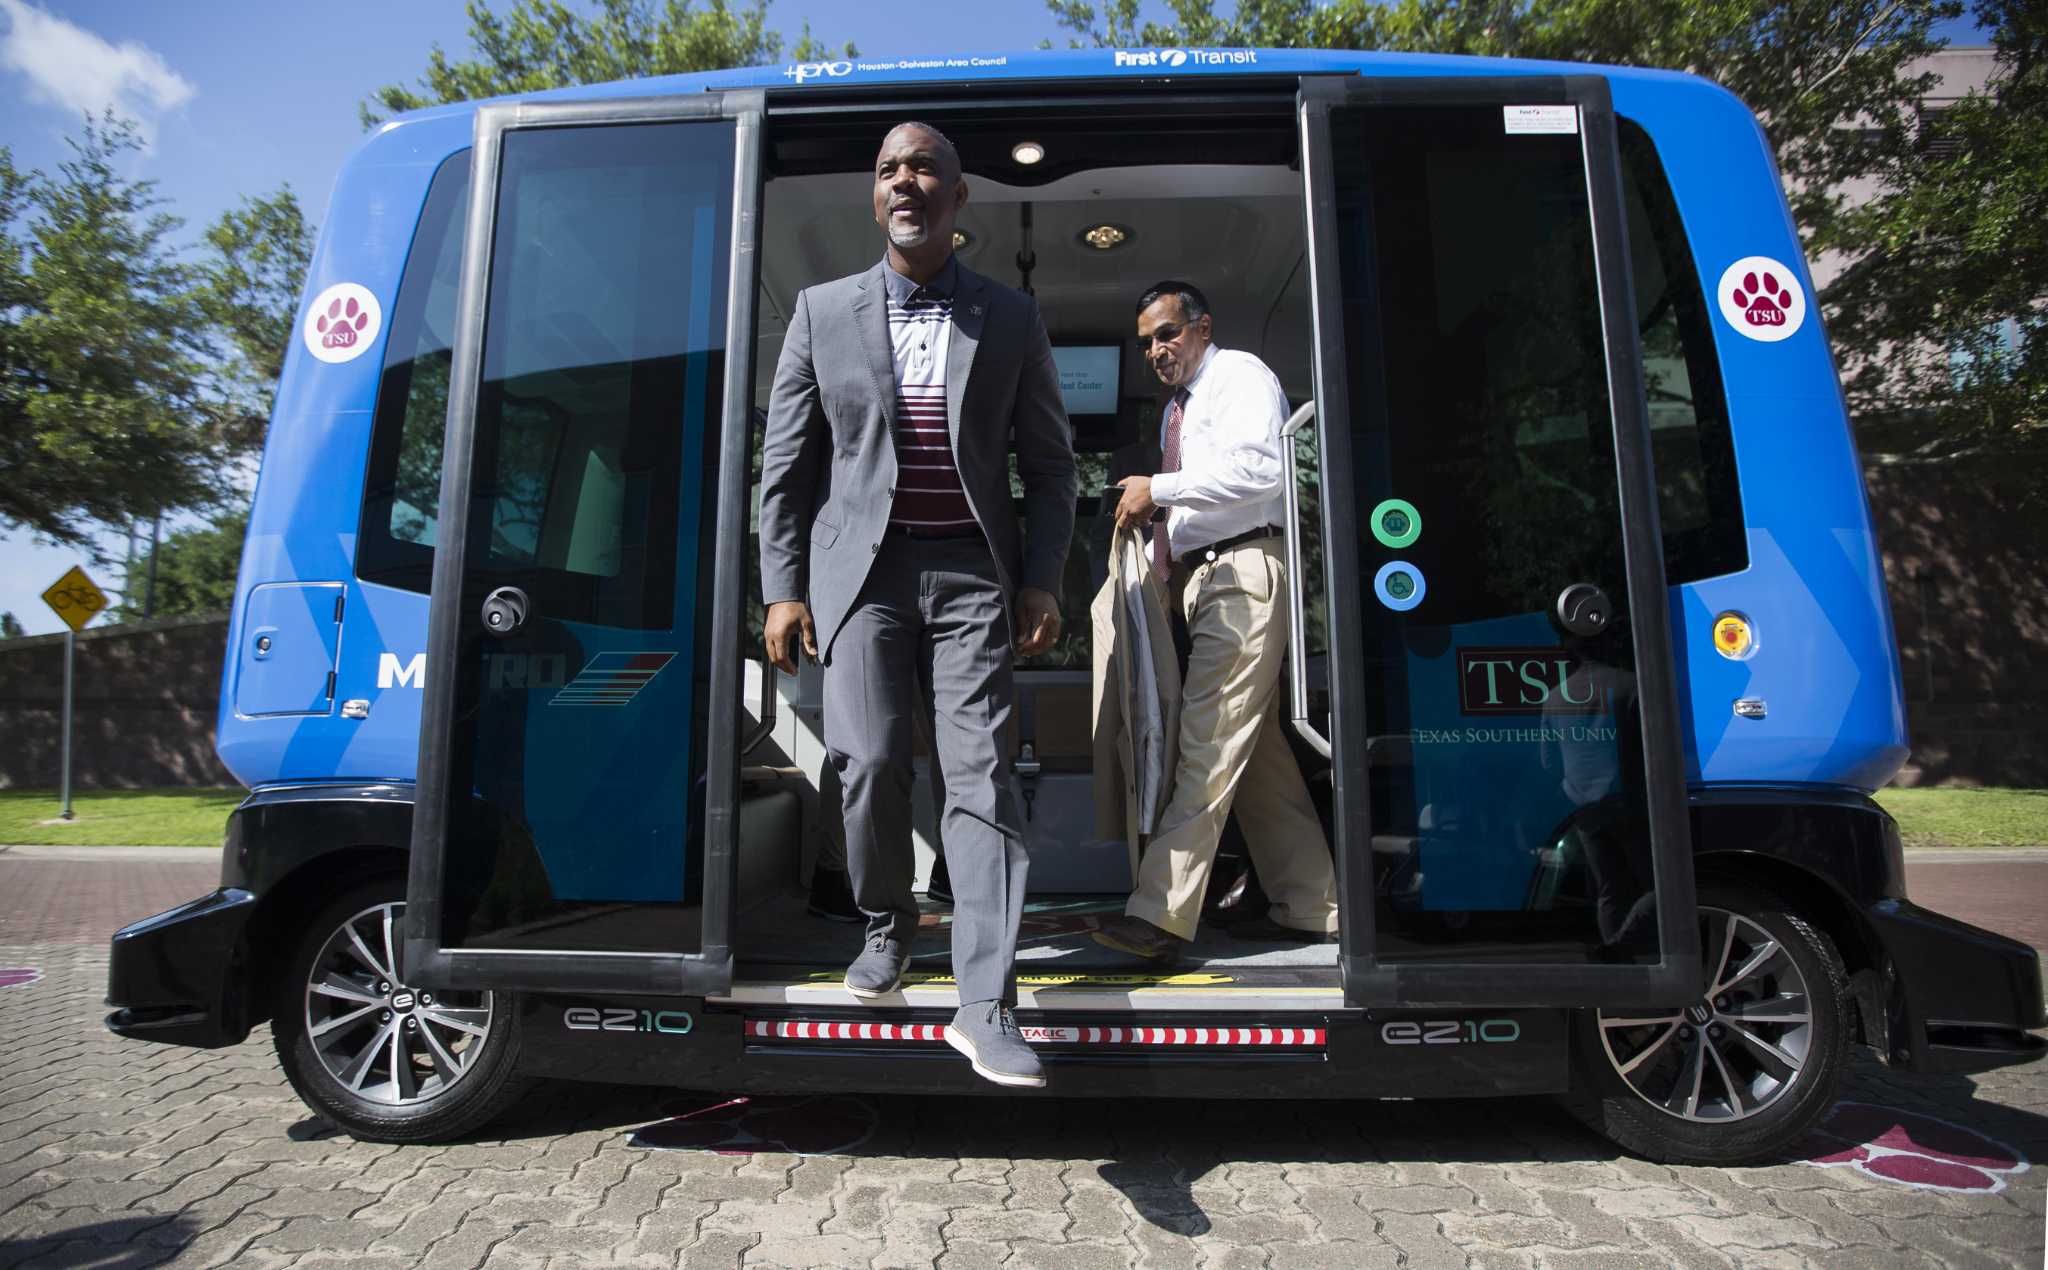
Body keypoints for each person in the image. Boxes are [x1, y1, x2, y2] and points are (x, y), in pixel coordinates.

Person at [758, 122, 1077, 1088]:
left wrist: (1041, 578)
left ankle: (984, 1004)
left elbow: (1052, 466)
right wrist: (781, 590)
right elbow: (785, 469)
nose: (908, 181)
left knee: (979, 776)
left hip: (974, 574)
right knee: (869, 761)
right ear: (877, 196)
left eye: (926, 167)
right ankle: (888, 921)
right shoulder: (821, 311)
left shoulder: (1010, 317)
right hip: (860, 577)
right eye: (891, 169)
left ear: (957, 197)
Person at [1092, 281, 1339, 963]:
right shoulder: (1187, 404)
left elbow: (1262, 470)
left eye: (1167, 333)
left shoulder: (1239, 376)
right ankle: (1313, 905)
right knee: (1253, 757)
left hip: (1241, 569)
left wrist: (1159, 489)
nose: (1156, 350)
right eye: (1147, 342)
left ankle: (1160, 912)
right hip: (1209, 576)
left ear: (1202, 327)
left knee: (1205, 743)